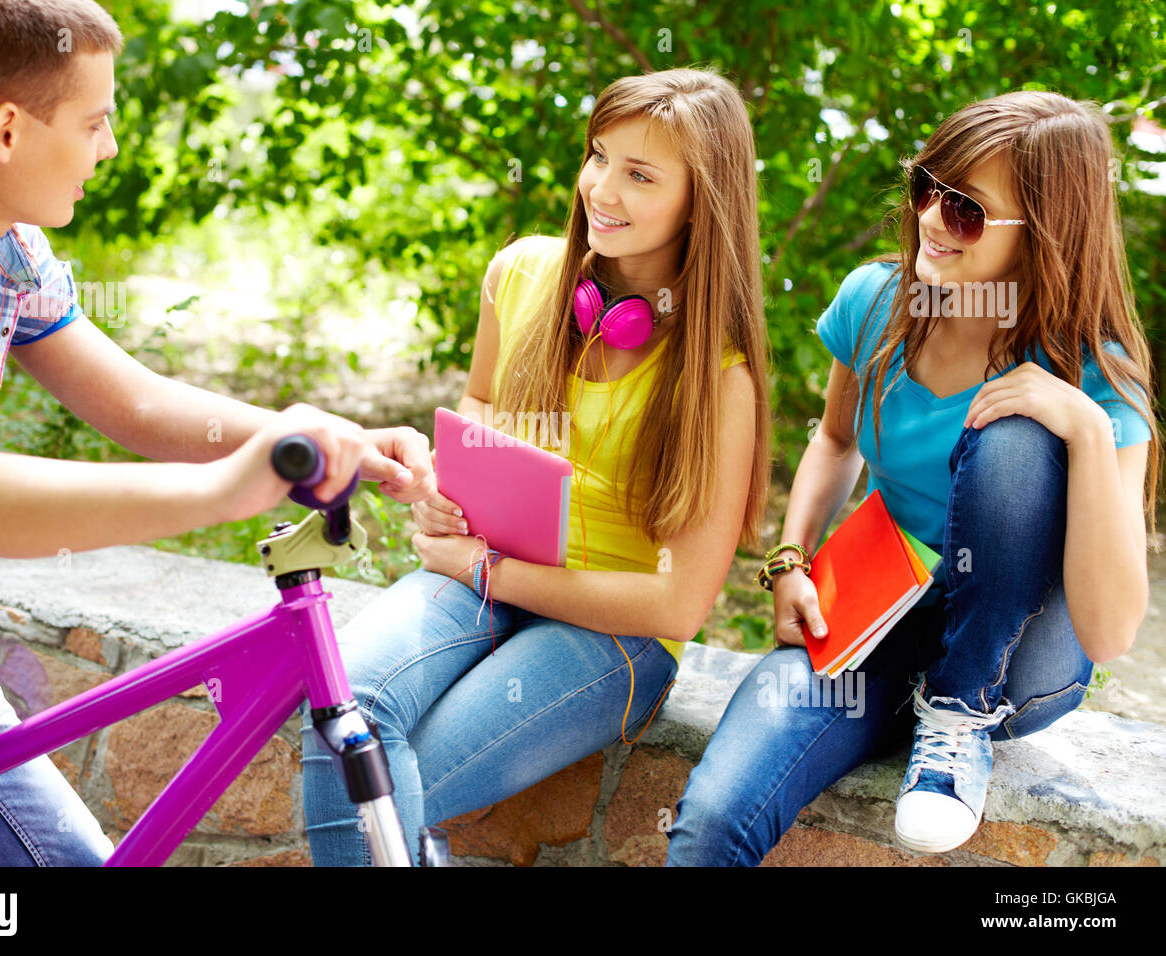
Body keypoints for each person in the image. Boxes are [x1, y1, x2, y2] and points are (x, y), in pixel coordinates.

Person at [0, 0, 432, 866]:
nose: (110, 147)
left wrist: (322, 435)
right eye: (95, 121)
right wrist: (221, 490)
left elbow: (137, 405)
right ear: (8, 132)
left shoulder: (1, 248)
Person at [666, 90, 1158, 866]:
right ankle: (911, 704)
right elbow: (833, 441)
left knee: (1018, 438)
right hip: (879, 615)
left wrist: (1090, 430)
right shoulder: (876, 302)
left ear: (1045, 234)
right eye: (928, 185)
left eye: (965, 210)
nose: (931, 216)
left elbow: (1108, 633)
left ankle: (958, 711)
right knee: (715, 815)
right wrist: (791, 560)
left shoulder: (1095, 371)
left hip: (1020, 652)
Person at [300, 66, 770, 865]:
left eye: (641, 174)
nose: (601, 189)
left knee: (370, 776)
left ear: (704, 200)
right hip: (482, 570)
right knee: (348, 714)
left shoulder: (720, 382)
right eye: (599, 156)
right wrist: (449, 490)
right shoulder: (520, 275)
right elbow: (480, 403)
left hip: (614, 635)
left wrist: (486, 571)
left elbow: (678, 604)